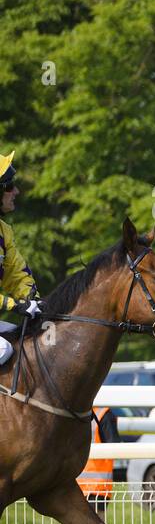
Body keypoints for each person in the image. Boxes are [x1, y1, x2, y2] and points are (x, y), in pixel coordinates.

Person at [62, 406, 119, 524]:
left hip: (97, 486)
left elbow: (114, 447)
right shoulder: (72, 409)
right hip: (75, 485)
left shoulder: (104, 414)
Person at [0, 150, 43, 366]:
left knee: (26, 342)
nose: (15, 191)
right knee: (3, 348)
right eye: (9, 186)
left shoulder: (3, 231)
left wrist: (32, 298)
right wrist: (13, 305)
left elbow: (17, 274)